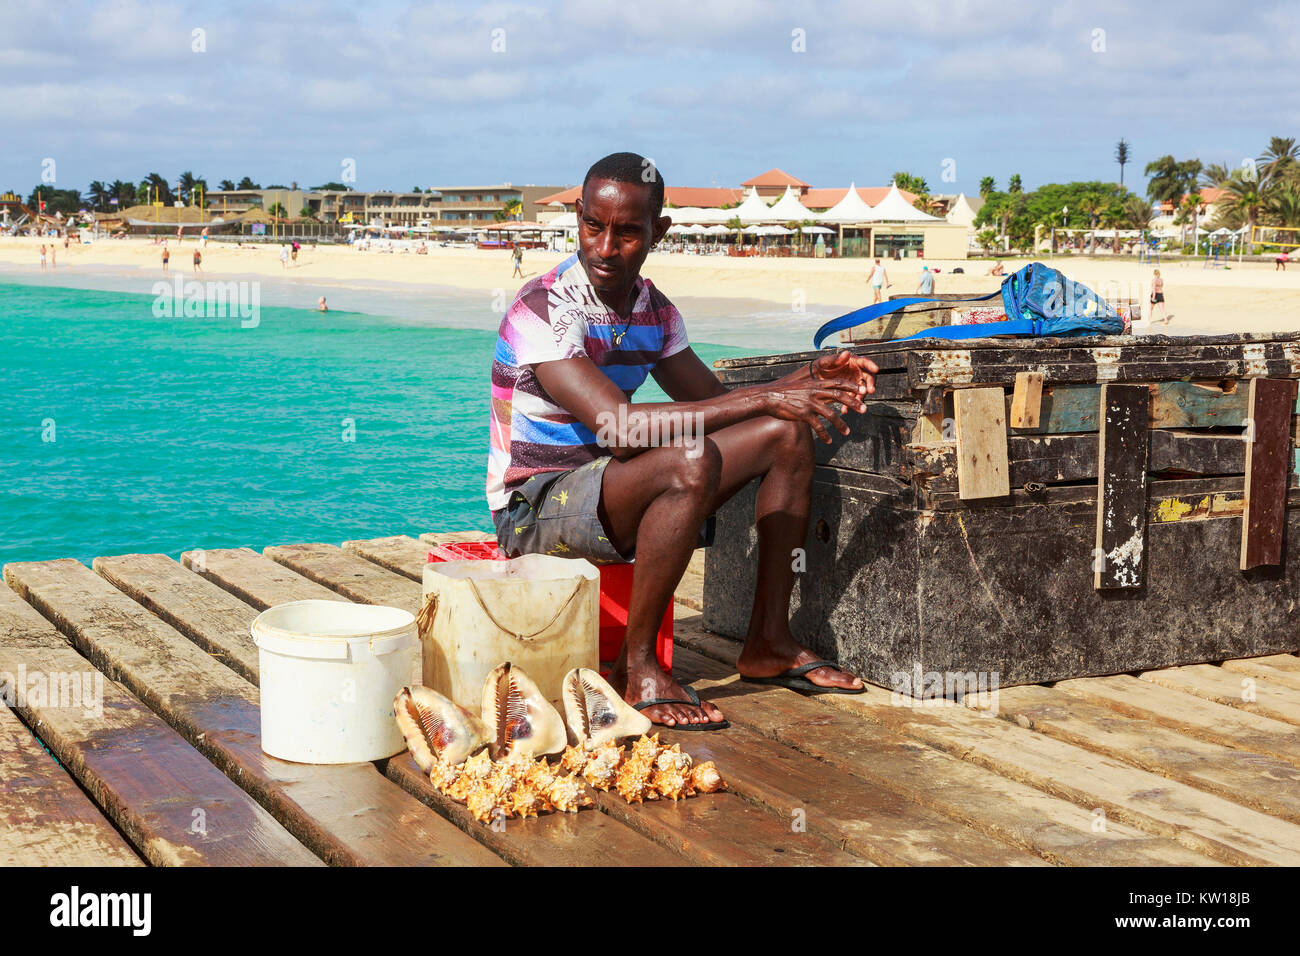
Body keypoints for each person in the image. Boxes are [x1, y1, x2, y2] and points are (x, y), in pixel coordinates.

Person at [487, 152, 874, 731]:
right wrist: (766, 396)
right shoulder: (543, 309)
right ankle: (637, 668)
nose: (605, 247)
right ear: (579, 218)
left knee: (785, 435)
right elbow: (619, 430)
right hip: (534, 507)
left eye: (627, 232)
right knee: (691, 457)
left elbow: (717, 405)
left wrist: (798, 385)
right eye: (592, 226)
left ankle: (768, 640)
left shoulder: (655, 312)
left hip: (611, 492)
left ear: (658, 232)